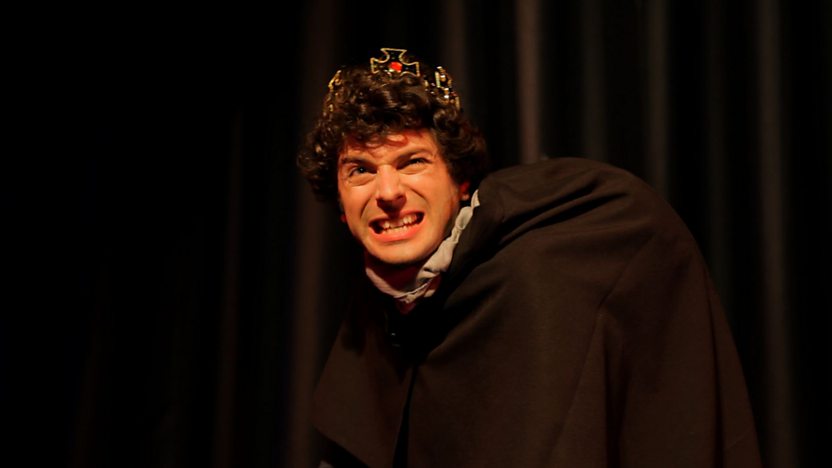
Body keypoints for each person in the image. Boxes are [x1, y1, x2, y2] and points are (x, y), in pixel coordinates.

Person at [297, 48, 761, 468]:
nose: (388, 192)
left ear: (460, 182)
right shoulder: (371, 319)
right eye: (360, 171)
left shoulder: (537, 274)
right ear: (340, 203)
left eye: (412, 162)